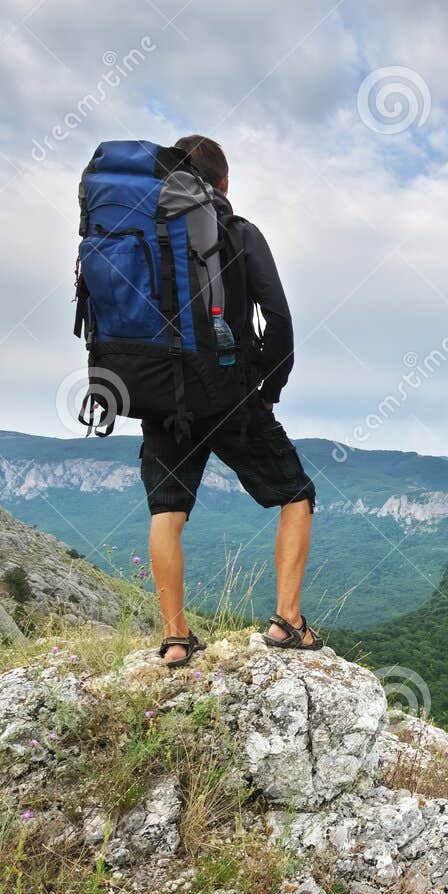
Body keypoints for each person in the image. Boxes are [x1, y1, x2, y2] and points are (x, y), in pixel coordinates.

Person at [143, 134, 320, 667]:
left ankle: (176, 639)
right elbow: (279, 318)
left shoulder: (142, 234)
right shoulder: (238, 232)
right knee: (296, 493)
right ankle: (287, 621)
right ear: (223, 182)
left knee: (168, 509)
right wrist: (270, 390)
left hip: (161, 396)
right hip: (229, 392)